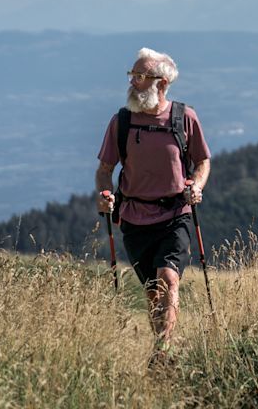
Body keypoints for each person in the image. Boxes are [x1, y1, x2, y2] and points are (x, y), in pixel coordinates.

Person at [96, 47, 211, 367]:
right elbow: (105, 169)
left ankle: (163, 352)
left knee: (168, 279)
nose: (133, 82)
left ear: (162, 83)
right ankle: (162, 347)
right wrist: (104, 193)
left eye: (140, 77)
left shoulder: (184, 118)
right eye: (132, 75)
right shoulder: (122, 122)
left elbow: (202, 161)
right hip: (134, 218)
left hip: (176, 214)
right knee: (152, 292)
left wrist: (196, 186)